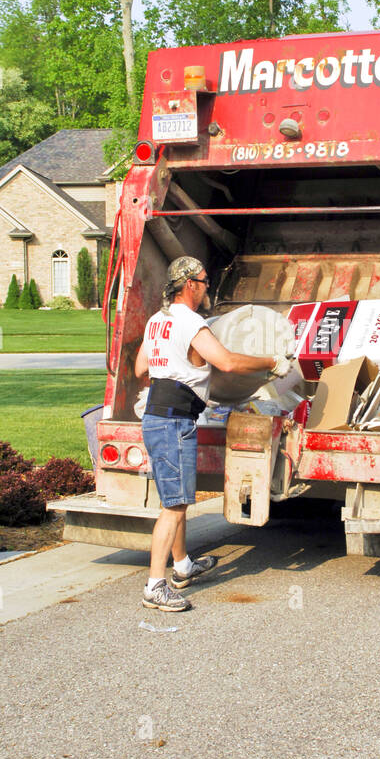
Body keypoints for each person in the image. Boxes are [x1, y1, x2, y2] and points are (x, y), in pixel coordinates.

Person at [134, 256, 292, 614]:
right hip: (174, 421)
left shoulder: (157, 320)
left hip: (158, 415)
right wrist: (270, 362)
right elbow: (228, 362)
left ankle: (183, 566)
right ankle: (155, 586)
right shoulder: (191, 322)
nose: (207, 288)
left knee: (176, 499)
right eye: (205, 281)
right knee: (174, 507)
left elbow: (141, 367)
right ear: (190, 284)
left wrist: (172, 369)